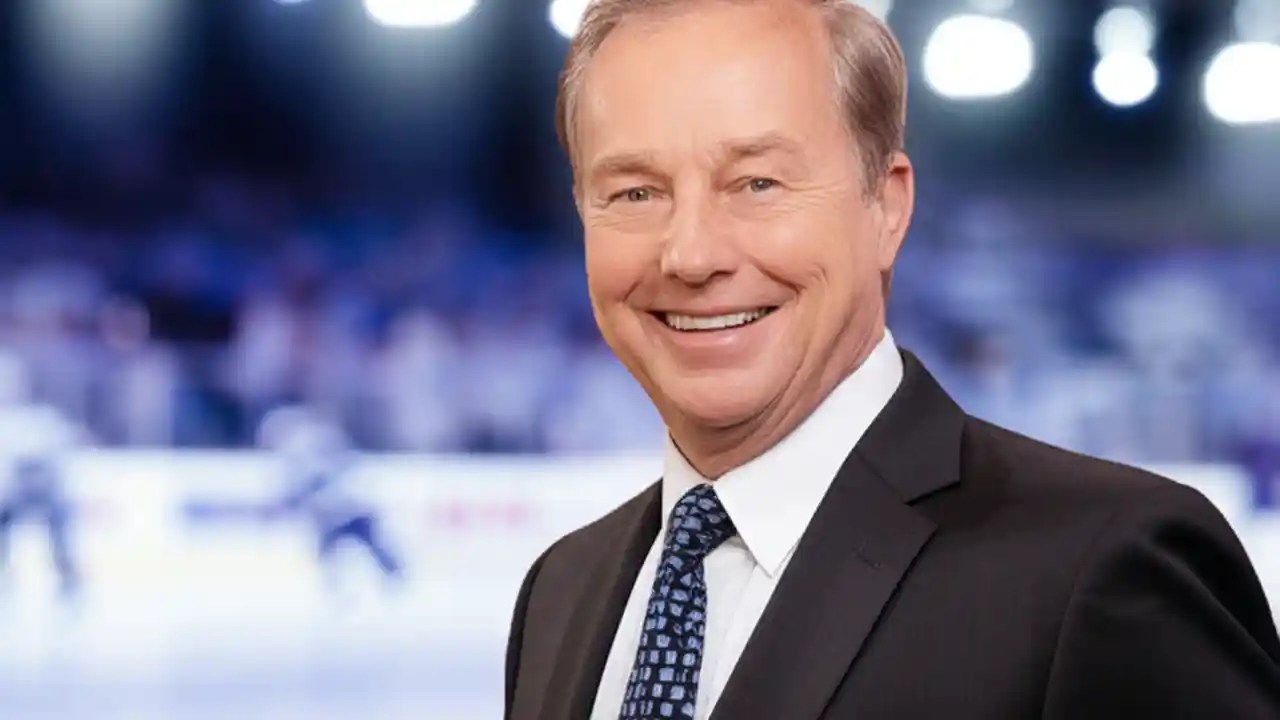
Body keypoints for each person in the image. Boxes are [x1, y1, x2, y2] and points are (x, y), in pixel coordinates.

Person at [504, 1, 1280, 719]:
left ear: (887, 206)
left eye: (757, 183)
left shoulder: (1103, 566)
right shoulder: (562, 591)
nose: (691, 254)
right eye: (635, 194)